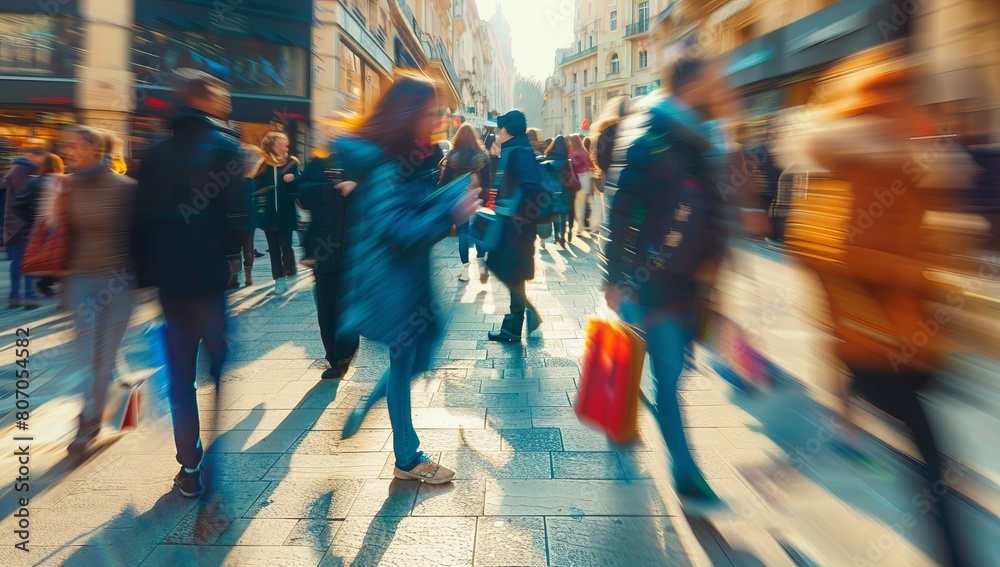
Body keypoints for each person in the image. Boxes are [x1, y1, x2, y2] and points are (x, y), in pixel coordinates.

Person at [785, 65, 971, 566]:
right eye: (914, 101)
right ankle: (956, 552)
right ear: (887, 106)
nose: (924, 112)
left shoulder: (908, 163)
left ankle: (809, 457)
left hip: (906, 337)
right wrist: (915, 274)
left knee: (927, 452)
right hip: (878, 343)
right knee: (930, 461)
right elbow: (831, 249)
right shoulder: (866, 166)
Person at [336, 75, 479, 482]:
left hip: (407, 279)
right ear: (410, 113)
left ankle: (379, 409)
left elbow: (409, 212)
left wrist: (444, 200)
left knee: (416, 358)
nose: (438, 119)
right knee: (407, 360)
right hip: (392, 285)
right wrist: (449, 213)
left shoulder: (413, 157)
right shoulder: (388, 166)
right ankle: (407, 457)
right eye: (431, 111)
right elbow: (396, 229)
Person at [604, 56, 720, 501]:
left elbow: (714, 217)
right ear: (688, 87)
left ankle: (621, 410)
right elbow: (621, 215)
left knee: (669, 369)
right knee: (668, 374)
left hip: (691, 286)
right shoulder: (649, 143)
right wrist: (615, 276)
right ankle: (685, 471)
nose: (716, 90)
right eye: (709, 82)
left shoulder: (704, 144)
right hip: (650, 282)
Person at [132, 68, 249, 498]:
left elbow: (137, 220)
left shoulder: (154, 152)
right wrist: (233, 259)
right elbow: (239, 214)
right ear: (204, 99)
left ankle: (190, 463)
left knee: (181, 374)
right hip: (209, 279)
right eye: (219, 94)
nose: (225, 100)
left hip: (170, 282)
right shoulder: (225, 147)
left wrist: (145, 276)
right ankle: (211, 451)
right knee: (217, 362)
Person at [57, 127, 138, 453]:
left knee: (104, 356)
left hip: (119, 283)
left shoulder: (126, 188)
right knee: (87, 355)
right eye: (64, 146)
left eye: (73, 145)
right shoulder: (64, 186)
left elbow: (141, 237)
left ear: (93, 148)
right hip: (80, 280)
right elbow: (52, 232)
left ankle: (93, 421)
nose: (66, 151)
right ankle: (93, 417)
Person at [298, 137, 360, 380]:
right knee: (326, 307)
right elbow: (303, 197)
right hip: (322, 247)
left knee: (348, 304)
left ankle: (345, 352)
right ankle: (335, 358)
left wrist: (356, 186)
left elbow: (377, 192)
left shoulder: (358, 161)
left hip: (352, 247)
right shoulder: (315, 164)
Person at [485, 110, 546, 343]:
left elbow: (532, 188)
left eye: (500, 129)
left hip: (515, 226)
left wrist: (521, 217)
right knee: (510, 271)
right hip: (510, 223)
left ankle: (520, 318)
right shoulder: (515, 149)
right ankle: (517, 320)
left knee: (507, 268)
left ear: (508, 130)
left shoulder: (520, 151)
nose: (498, 133)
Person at [13, 152, 65, 307]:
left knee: (47, 260)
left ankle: (43, 284)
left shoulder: (33, 182)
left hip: (40, 227)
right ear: (58, 166)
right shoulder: (63, 181)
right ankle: (48, 285)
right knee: (62, 260)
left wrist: (32, 219)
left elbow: (18, 205)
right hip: (58, 228)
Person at [440, 123, 490, 282]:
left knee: (463, 233)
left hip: (458, 199)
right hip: (476, 197)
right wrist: (484, 200)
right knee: (479, 231)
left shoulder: (452, 156)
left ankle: (465, 270)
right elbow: (487, 181)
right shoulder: (482, 156)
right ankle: (481, 265)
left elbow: (444, 181)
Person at [253, 131, 300, 295]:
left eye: (286, 145)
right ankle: (278, 279)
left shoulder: (292, 163)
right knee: (273, 249)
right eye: (282, 144)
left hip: (286, 212)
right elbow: (255, 187)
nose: (286, 148)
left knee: (286, 246)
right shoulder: (263, 164)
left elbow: (299, 187)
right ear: (272, 145)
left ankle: (290, 271)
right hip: (269, 214)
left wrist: (294, 179)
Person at [3, 148, 45, 308]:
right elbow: (25, 197)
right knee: (24, 261)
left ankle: (19, 295)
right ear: (34, 156)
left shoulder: (24, 170)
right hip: (20, 226)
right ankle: (26, 295)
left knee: (22, 261)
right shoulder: (21, 170)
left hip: (19, 224)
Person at [228, 144, 264, 289]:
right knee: (248, 247)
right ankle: (249, 277)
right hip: (249, 218)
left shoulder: (231, 179)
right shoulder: (251, 181)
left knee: (234, 249)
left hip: (233, 217)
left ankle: (234, 275)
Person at [542, 136, 575, 247]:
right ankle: (563, 237)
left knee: (555, 214)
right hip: (565, 190)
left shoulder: (547, 158)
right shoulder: (567, 160)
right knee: (563, 214)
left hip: (552, 190)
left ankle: (556, 236)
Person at [568, 133, 594, 240]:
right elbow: (591, 166)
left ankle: (579, 228)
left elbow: (570, 167)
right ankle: (582, 227)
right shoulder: (584, 152)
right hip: (586, 180)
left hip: (578, 182)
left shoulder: (572, 153)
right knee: (582, 205)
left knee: (578, 206)